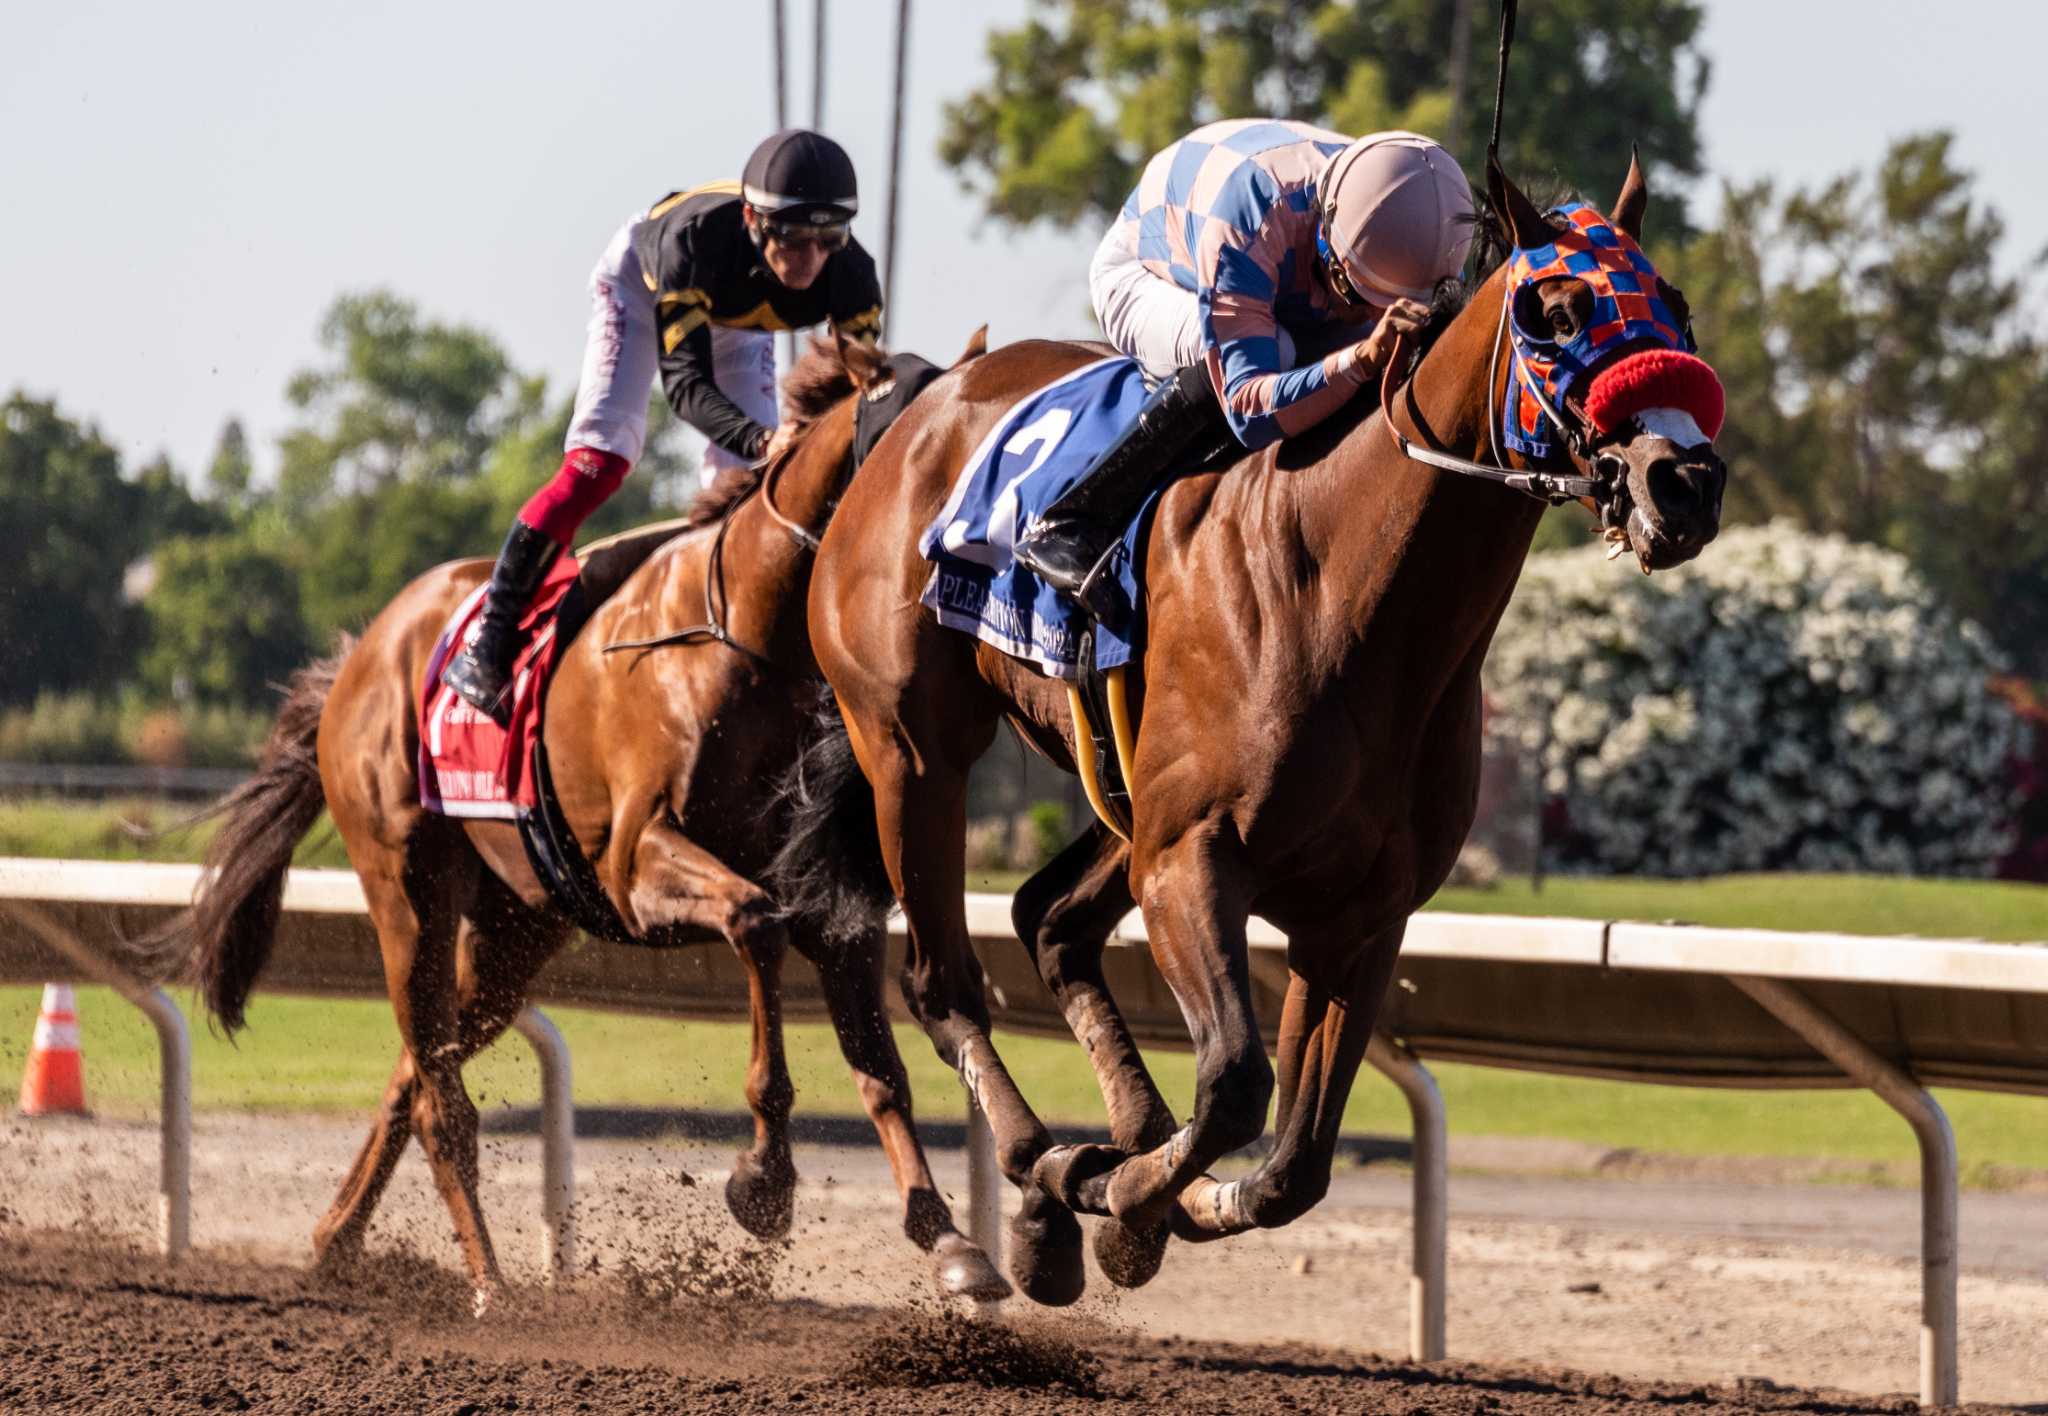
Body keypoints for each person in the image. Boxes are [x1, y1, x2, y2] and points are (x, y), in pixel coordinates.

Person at [443, 128, 884, 721]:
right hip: (643, 283)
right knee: (600, 462)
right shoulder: (693, 243)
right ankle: (490, 639)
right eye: (793, 237)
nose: (810, 259)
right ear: (754, 220)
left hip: (739, 320)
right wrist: (761, 436)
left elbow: (857, 399)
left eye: (829, 237)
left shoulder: (853, 274)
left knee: (756, 489)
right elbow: (685, 387)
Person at [1013, 120, 1475, 613]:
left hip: (1279, 263)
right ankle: (1074, 520)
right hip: (1148, 273)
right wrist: (1358, 360)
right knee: (1277, 350)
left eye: (1380, 304)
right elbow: (1249, 407)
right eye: (1353, 293)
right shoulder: (1252, 217)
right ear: (1327, 236)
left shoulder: (1424, 227)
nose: (1363, 316)